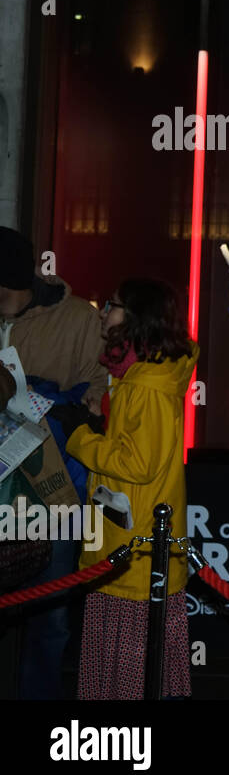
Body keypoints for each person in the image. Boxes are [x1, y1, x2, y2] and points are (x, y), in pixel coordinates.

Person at [58, 279, 198, 700]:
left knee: (126, 680)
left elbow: (137, 464)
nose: (103, 312)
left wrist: (80, 437)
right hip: (129, 546)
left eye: (112, 306)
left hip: (133, 553)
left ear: (137, 318)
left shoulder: (145, 385)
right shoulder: (137, 374)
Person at [0, 226, 108, 699]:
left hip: (53, 488)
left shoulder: (77, 318)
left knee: (50, 614)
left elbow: (100, 393)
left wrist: (48, 401)